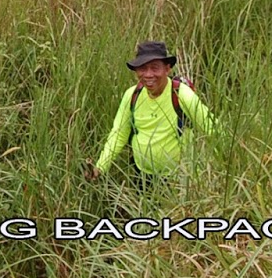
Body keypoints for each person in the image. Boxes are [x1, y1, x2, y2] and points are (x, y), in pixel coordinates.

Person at [92, 40, 215, 181]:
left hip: (180, 178)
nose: (148, 75)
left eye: (155, 68)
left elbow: (212, 129)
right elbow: (118, 135)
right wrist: (100, 168)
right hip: (142, 176)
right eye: (142, 68)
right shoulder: (132, 95)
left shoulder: (182, 95)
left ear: (167, 69)